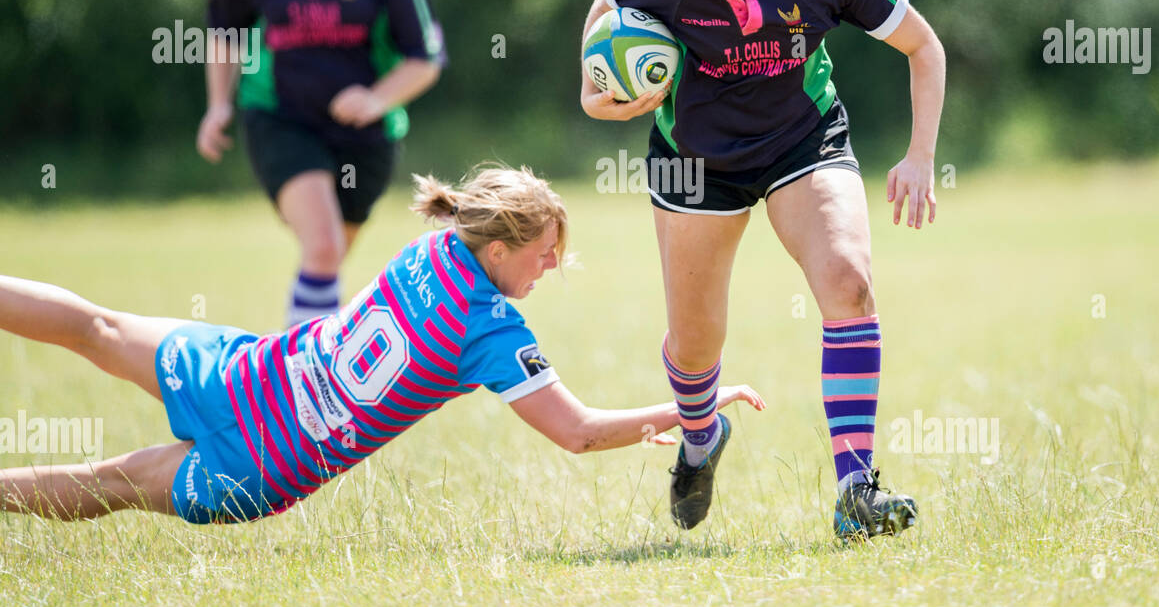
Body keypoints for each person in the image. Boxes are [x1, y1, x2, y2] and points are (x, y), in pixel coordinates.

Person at [0, 166, 765, 524]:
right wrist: (693, 406)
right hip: (264, 465)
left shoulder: (433, 249)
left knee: (94, 327)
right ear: (499, 251)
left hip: (246, 374)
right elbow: (579, 431)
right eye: (545, 251)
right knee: (111, 481)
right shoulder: (491, 328)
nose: (554, 266)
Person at [579, 0, 945, 540]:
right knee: (693, 344)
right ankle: (698, 439)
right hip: (695, 159)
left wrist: (920, 154)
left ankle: (856, 489)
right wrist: (598, 95)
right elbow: (602, 21)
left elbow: (922, 46)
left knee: (848, 280)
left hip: (801, 143)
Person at [197, 0, 446, 328]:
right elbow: (224, 33)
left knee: (330, 257)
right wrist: (219, 104)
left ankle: (317, 359)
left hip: (365, 138)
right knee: (325, 246)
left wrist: (376, 99)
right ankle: (294, 381)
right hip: (280, 120)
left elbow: (425, 57)